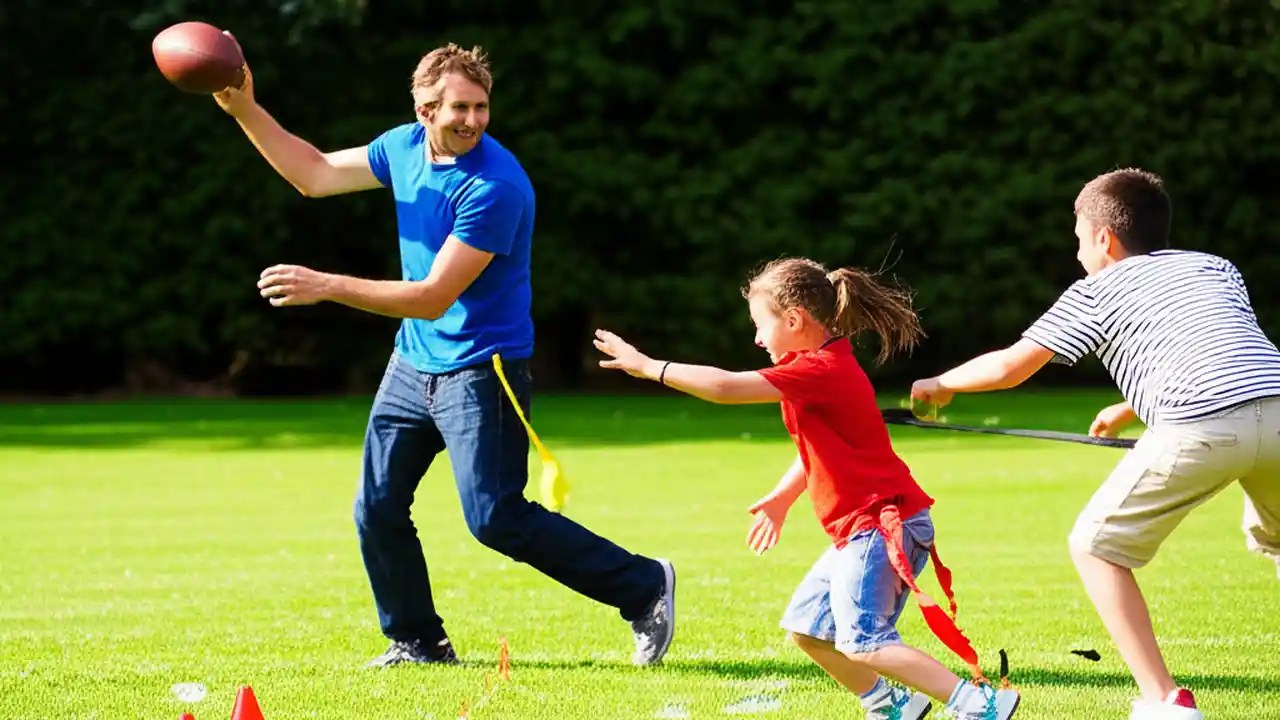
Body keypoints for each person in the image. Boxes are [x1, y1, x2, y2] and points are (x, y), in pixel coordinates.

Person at [211, 41, 675, 667]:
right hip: (413, 366)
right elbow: (314, 174)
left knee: (495, 519)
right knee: (375, 507)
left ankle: (644, 586)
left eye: (481, 107)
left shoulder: (495, 185)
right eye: (460, 107)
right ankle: (417, 641)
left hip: (482, 370)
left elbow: (432, 297)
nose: (473, 120)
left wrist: (326, 286)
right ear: (424, 108)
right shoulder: (402, 146)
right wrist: (246, 110)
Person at [911, 167, 1280, 720]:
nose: (1079, 250)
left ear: (1104, 237)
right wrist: (1130, 406)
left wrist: (940, 384)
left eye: (1079, 236)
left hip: (1198, 426)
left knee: (1095, 545)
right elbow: (1219, 348)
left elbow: (1013, 366)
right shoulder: (1214, 267)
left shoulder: (1095, 289)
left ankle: (1164, 701)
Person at [595, 257, 1020, 720]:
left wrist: (650, 366)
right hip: (859, 529)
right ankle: (889, 704)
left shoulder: (820, 371)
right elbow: (817, 447)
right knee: (807, 627)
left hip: (881, 526)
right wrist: (782, 497)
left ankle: (979, 704)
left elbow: (724, 387)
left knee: (865, 641)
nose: (757, 338)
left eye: (761, 325)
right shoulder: (819, 367)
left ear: (794, 320)